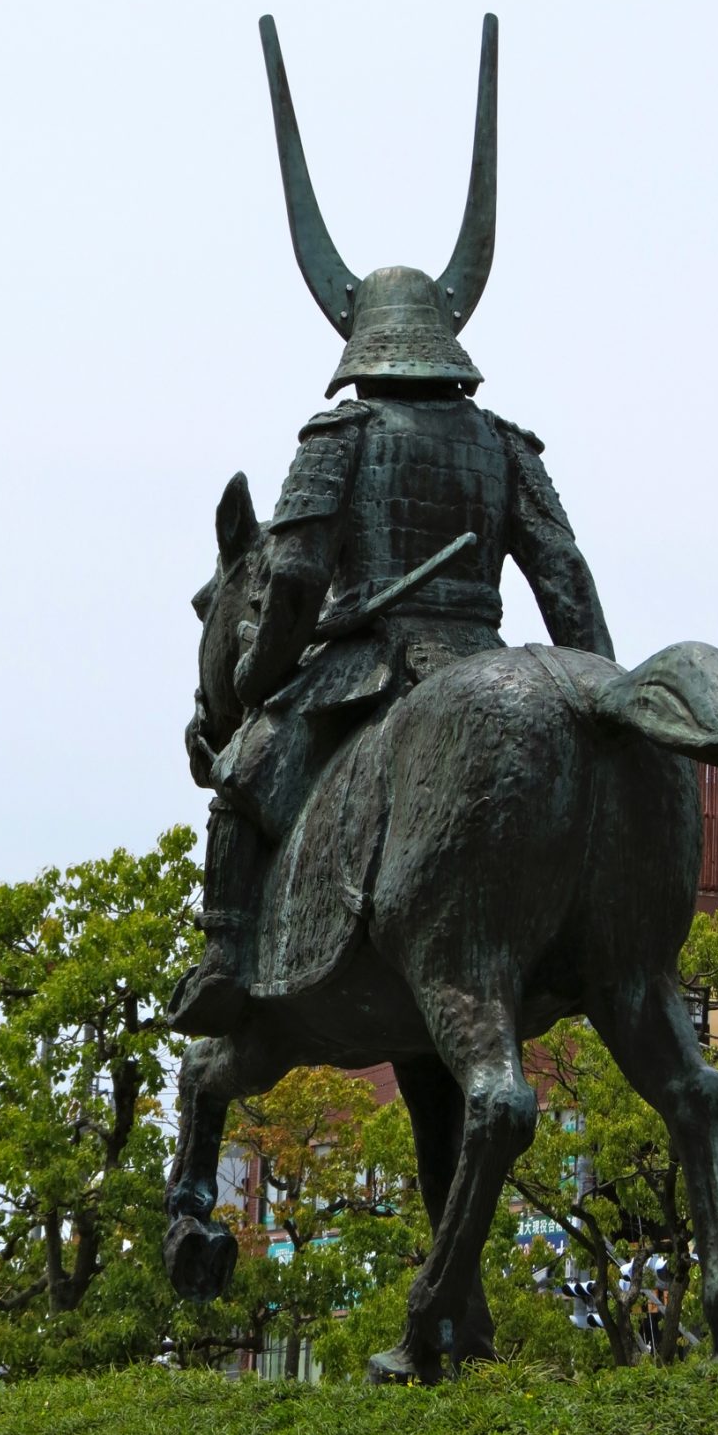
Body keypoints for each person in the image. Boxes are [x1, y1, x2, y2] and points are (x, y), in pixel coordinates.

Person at [168, 264, 613, 1037]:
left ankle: (224, 956)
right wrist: (600, 693)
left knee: (239, 769)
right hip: (482, 656)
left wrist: (255, 673)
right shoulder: (505, 445)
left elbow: (295, 580)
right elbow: (565, 576)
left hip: (373, 662)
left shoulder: (342, 434)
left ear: (363, 340)